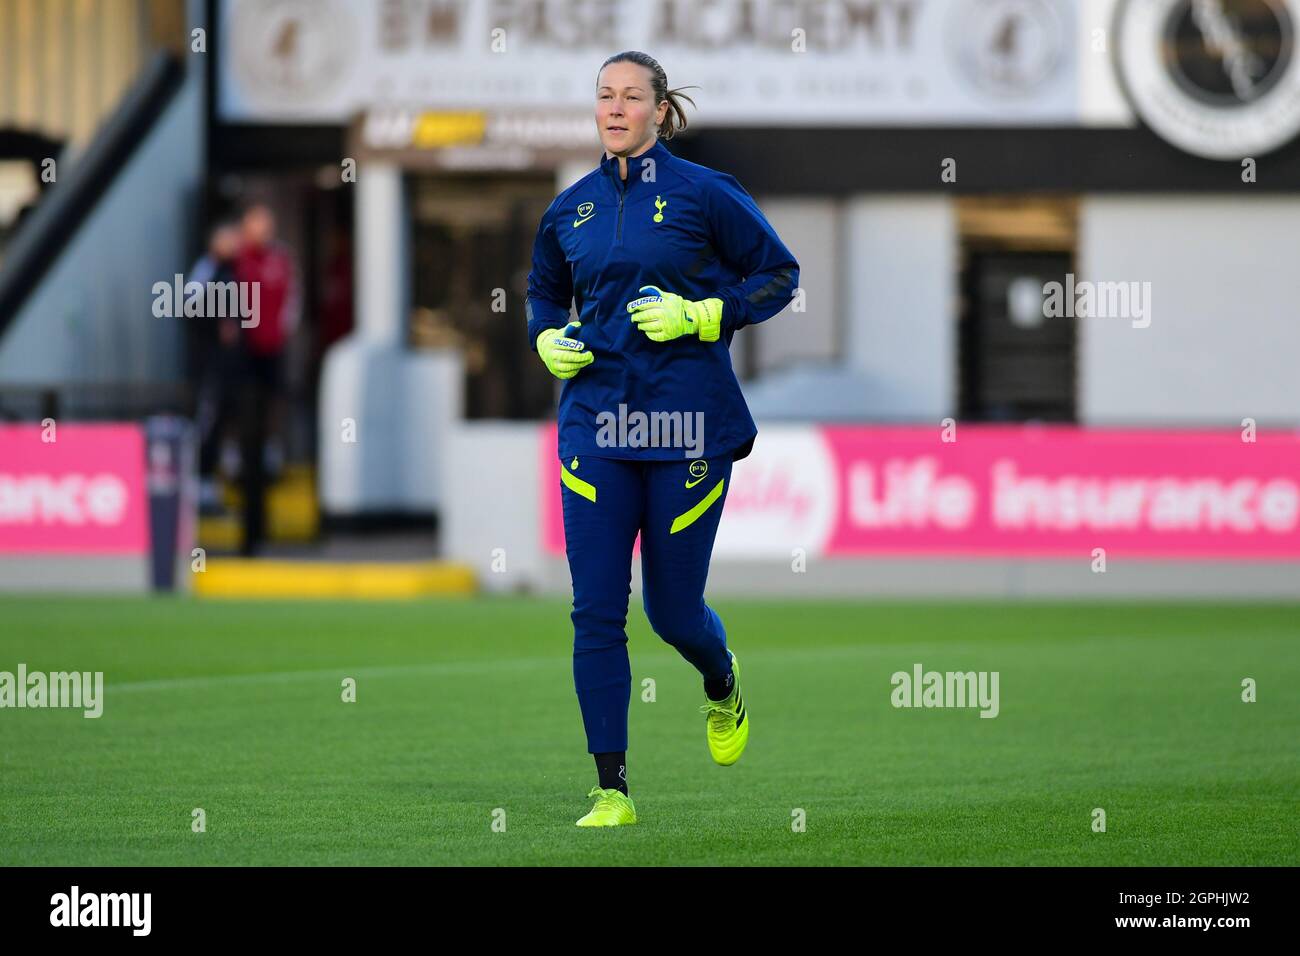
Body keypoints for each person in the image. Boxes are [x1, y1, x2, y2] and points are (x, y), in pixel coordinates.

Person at [525, 51, 800, 826]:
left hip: (687, 428)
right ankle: (611, 789)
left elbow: (778, 274)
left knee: (672, 615)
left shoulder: (705, 194)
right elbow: (543, 290)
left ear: (658, 109)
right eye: (604, 96)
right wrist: (544, 337)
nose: (614, 108)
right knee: (595, 612)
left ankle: (722, 682)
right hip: (596, 429)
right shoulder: (570, 208)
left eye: (630, 96)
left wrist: (704, 315)